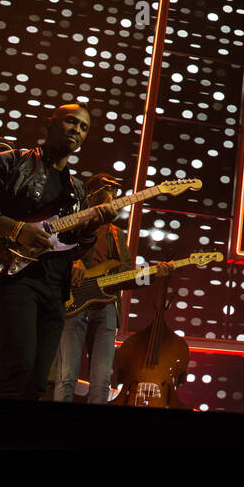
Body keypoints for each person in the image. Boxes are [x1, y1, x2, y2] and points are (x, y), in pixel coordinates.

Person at [0, 104, 116, 399]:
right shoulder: (9, 163)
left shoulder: (77, 191)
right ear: (49, 124)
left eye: (83, 128)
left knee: (38, 383)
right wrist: (16, 229)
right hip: (10, 277)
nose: (76, 130)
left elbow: (73, 250)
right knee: (18, 367)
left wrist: (91, 230)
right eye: (71, 122)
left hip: (54, 290)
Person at [48, 173, 170, 404]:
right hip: (72, 305)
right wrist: (72, 262)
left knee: (102, 380)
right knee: (66, 377)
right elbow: (50, 256)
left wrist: (153, 275)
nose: (114, 195)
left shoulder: (117, 234)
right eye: (108, 188)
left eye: (116, 190)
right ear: (92, 193)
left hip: (105, 310)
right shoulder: (71, 224)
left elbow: (126, 276)